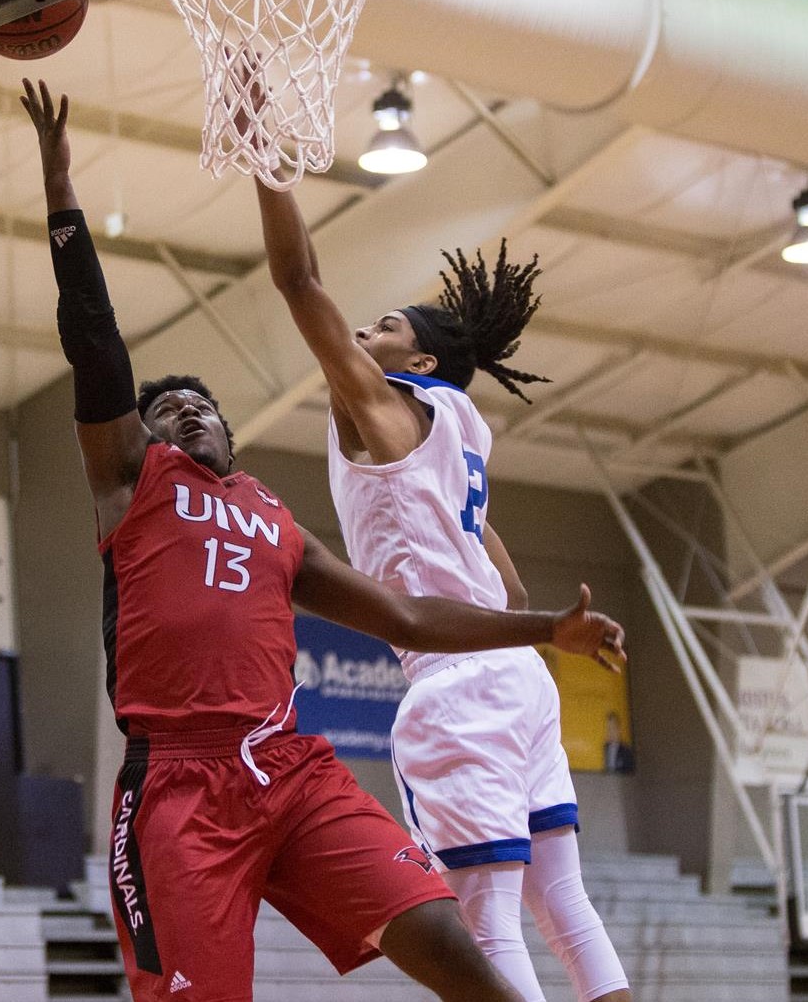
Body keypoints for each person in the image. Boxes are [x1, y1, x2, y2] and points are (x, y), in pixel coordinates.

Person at [20, 79, 627, 1002]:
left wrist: (547, 626)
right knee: (549, 904)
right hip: (180, 784)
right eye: (165, 408)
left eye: (203, 404)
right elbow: (96, 344)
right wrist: (63, 194)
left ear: (233, 437)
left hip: (290, 762)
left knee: (458, 933)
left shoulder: (277, 511)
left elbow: (407, 614)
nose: (186, 411)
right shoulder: (131, 481)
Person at [253, 171, 630, 1002]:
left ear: (420, 361)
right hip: (521, 681)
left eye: (385, 327)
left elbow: (297, 280)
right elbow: (505, 575)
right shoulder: (462, 430)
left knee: (488, 922)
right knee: (565, 901)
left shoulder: (387, 411)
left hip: (456, 680)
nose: (360, 331)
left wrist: (268, 165)